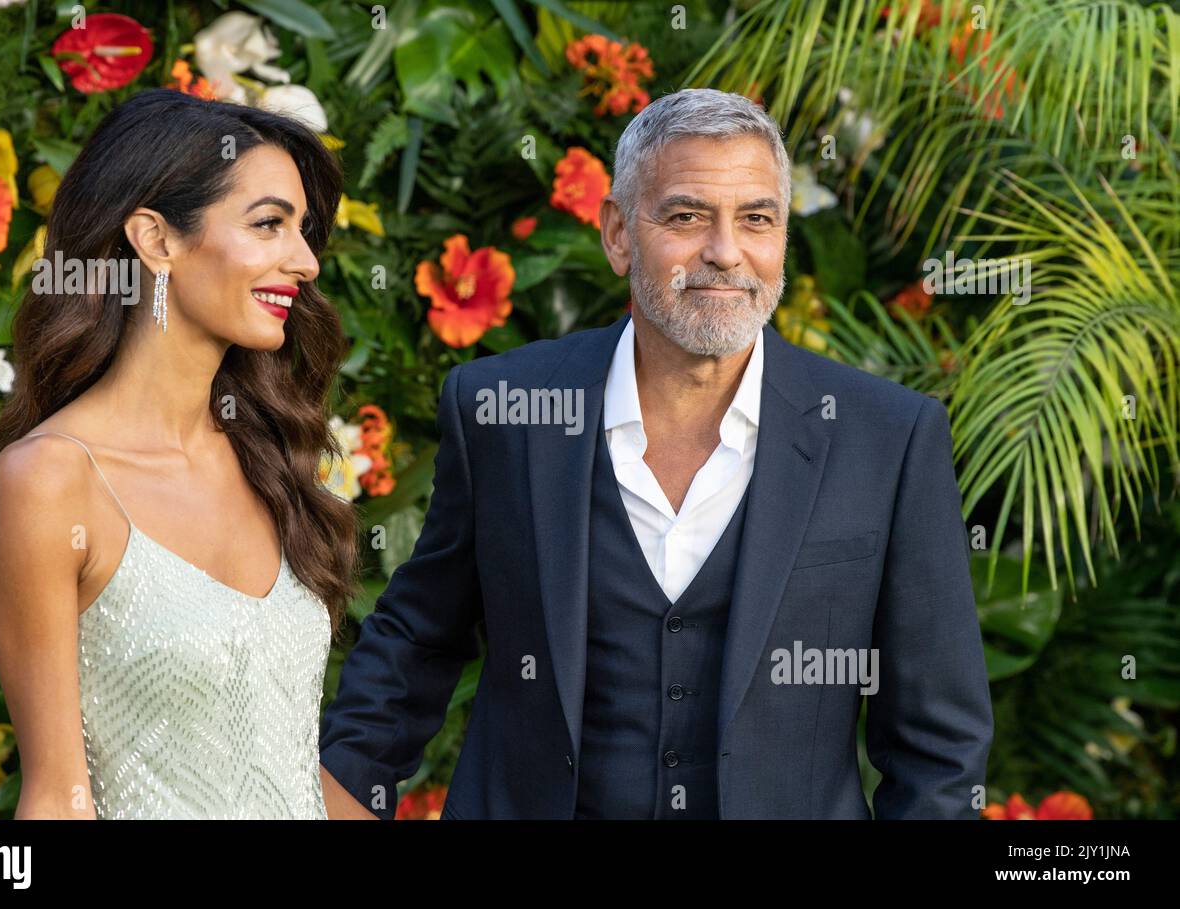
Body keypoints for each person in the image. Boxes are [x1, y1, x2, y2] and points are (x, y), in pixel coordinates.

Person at [320, 88, 993, 820]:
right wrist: (341, 794)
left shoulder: (887, 437)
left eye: (757, 219)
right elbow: (417, 639)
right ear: (617, 233)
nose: (725, 252)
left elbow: (940, 748)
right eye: (686, 216)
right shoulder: (503, 412)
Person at [0, 89, 358, 819]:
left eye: (304, 230)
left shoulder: (268, 457)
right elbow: (58, 798)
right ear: (156, 240)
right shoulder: (51, 480)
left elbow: (280, 763)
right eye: (270, 224)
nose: (306, 261)